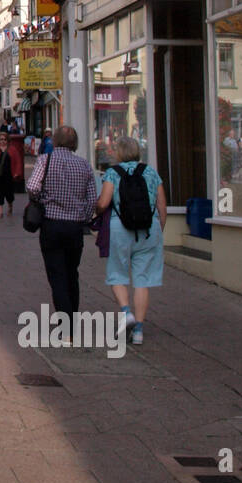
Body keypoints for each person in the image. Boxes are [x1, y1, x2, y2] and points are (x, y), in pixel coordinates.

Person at [24, 126, 97, 335]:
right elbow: (92, 198)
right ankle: (72, 318)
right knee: (72, 272)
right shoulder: (84, 164)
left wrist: (42, 199)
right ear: (75, 143)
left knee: (57, 274)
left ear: (55, 140)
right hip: (75, 227)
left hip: (52, 224)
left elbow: (32, 186)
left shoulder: (45, 160)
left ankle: (66, 325)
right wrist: (84, 217)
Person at [95, 137, 166, 346]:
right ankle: (139, 331)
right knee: (142, 279)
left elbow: (104, 202)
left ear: (119, 153)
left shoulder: (112, 173)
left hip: (120, 229)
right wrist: (159, 229)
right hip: (149, 229)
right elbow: (162, 206)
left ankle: (127, 313)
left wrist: (96, 211)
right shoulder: (151, 172)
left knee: (117, 273)